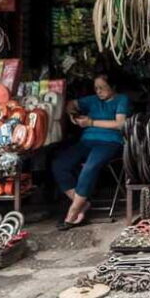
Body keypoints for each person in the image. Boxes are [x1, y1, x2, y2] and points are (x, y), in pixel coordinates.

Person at [52, 73, 130, 230]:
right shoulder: (92, 101)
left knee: (90, 167)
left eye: (103, 88)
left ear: (113, 87)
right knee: (60, 164)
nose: (99, 91)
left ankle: (73, 212)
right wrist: (72, 114)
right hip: (87, 141)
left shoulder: (122, 99)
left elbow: (120, 124)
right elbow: (70, 104)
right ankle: (82, 204)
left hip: (110, 143)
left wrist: (91, 122)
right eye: (96, 88)